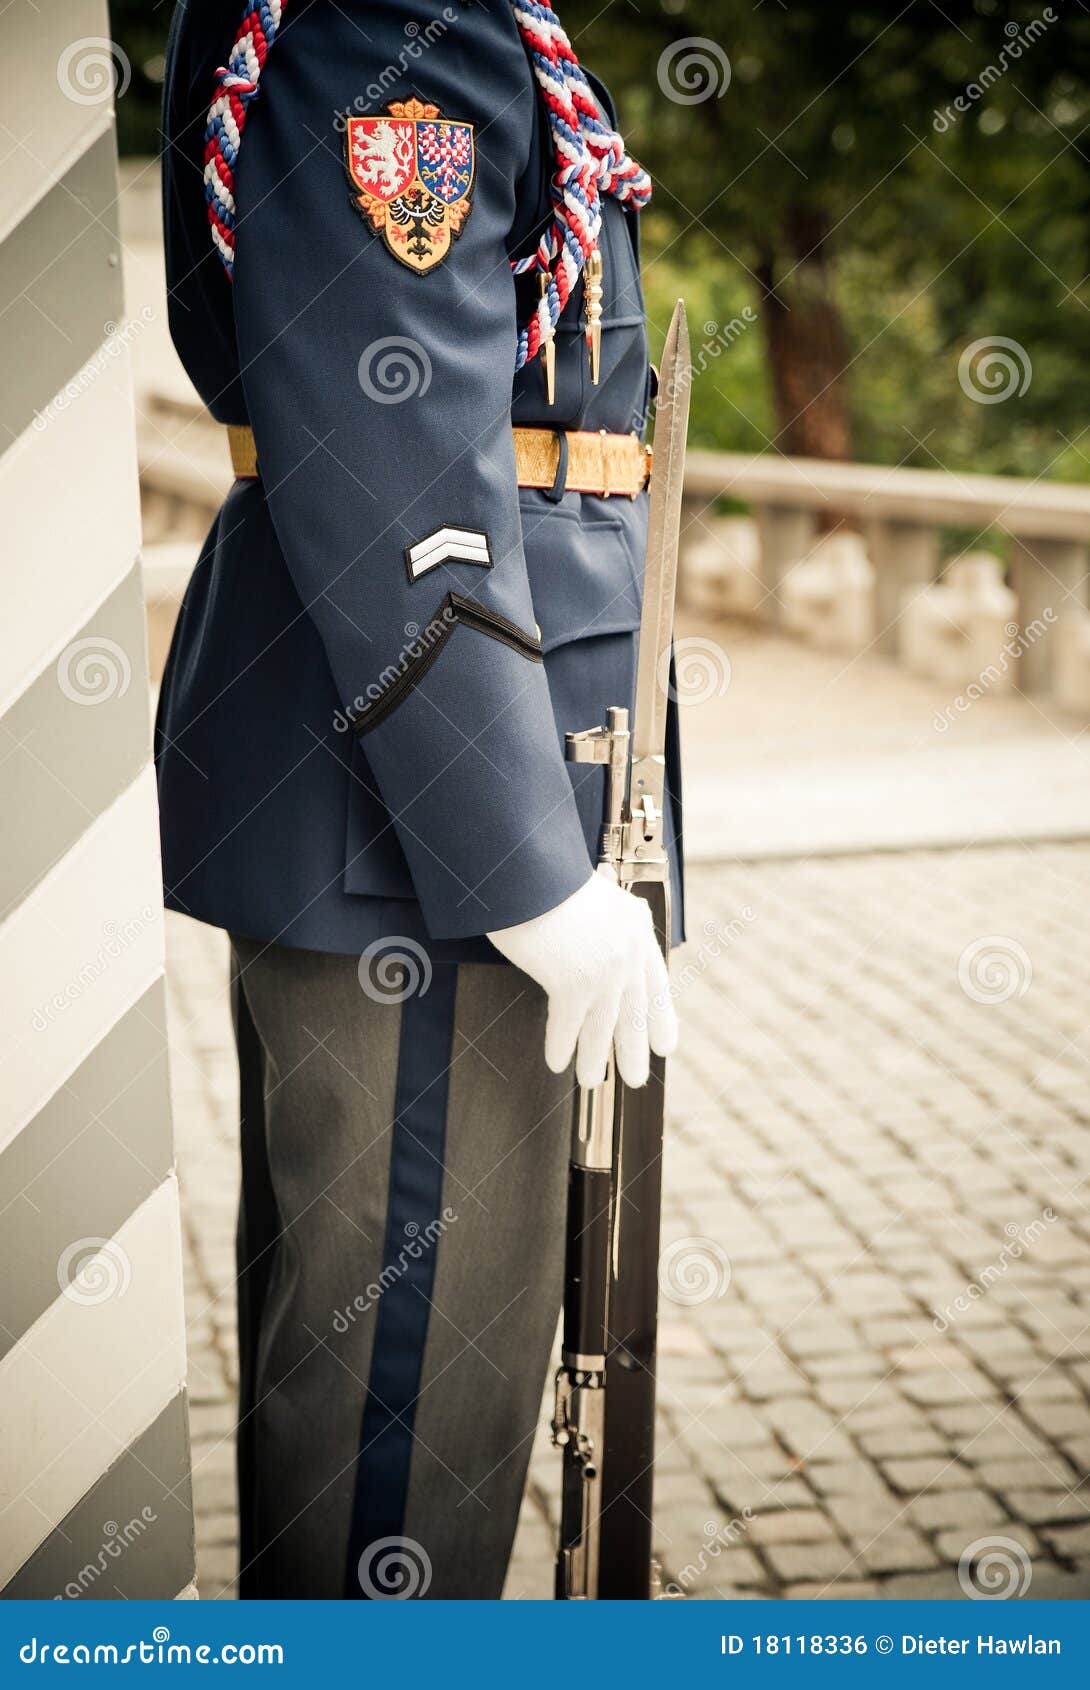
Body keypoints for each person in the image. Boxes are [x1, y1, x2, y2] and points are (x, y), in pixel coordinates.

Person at [157, 0, 683, 1599]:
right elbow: (399, 453)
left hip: (429, 774)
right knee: (405, 1415)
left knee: (402, 1383)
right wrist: (522, 869)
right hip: (425, 812)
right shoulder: (404, 19)